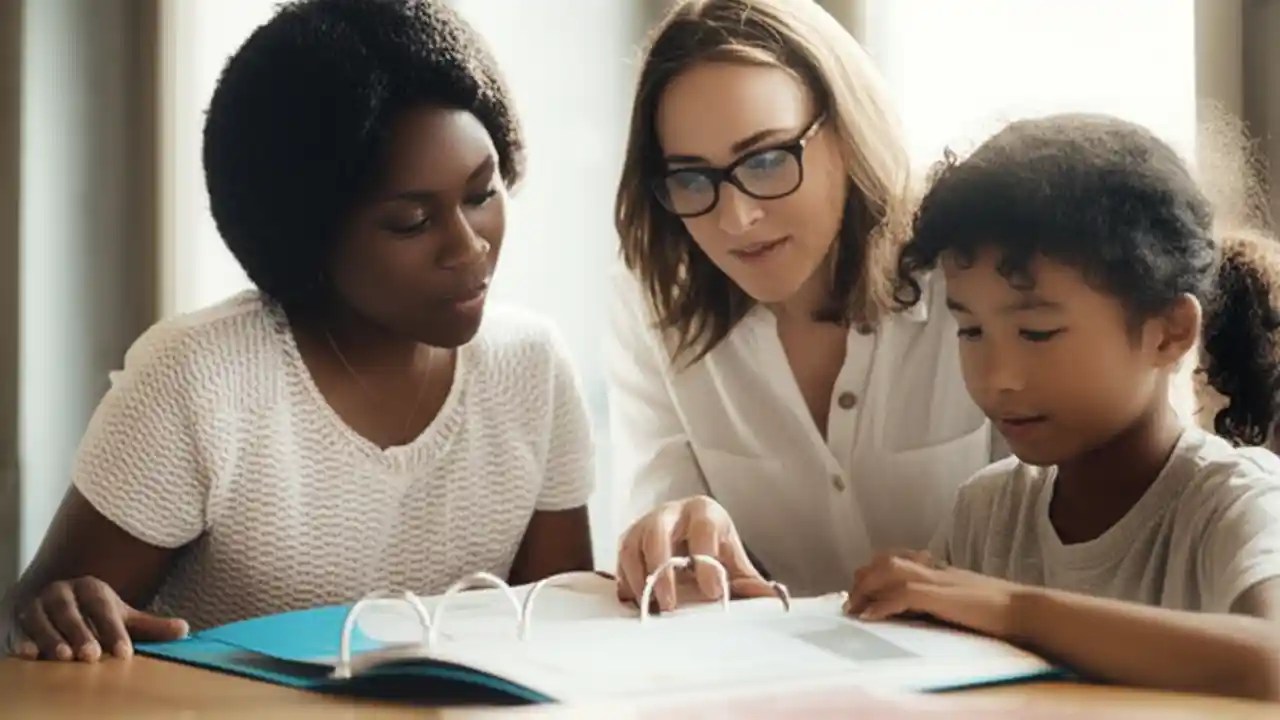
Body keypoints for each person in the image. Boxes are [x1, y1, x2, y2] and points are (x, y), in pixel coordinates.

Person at [1, 0, 594, 663]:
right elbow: (37, 627)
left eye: (481, 195)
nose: (468, 247)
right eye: (410, 222)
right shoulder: (200, 378)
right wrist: (57, 616)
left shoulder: (532, 366)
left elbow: (555, 637)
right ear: (307, 233)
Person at [845, 113, 1280, 700]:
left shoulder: (1235, 499)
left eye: (1038, 333)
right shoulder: (988, 511)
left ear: (1169, 333)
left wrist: (1013, 609)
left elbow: (1270, 660)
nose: (997, 378)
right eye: (970, 331)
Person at [610, 0, 1007, 609]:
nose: (736, 218)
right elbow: (669, 568)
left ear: (847, 133)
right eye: (692, 179)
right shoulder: (657, 300)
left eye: (767, 161)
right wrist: (676, 542)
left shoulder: (971, 276)